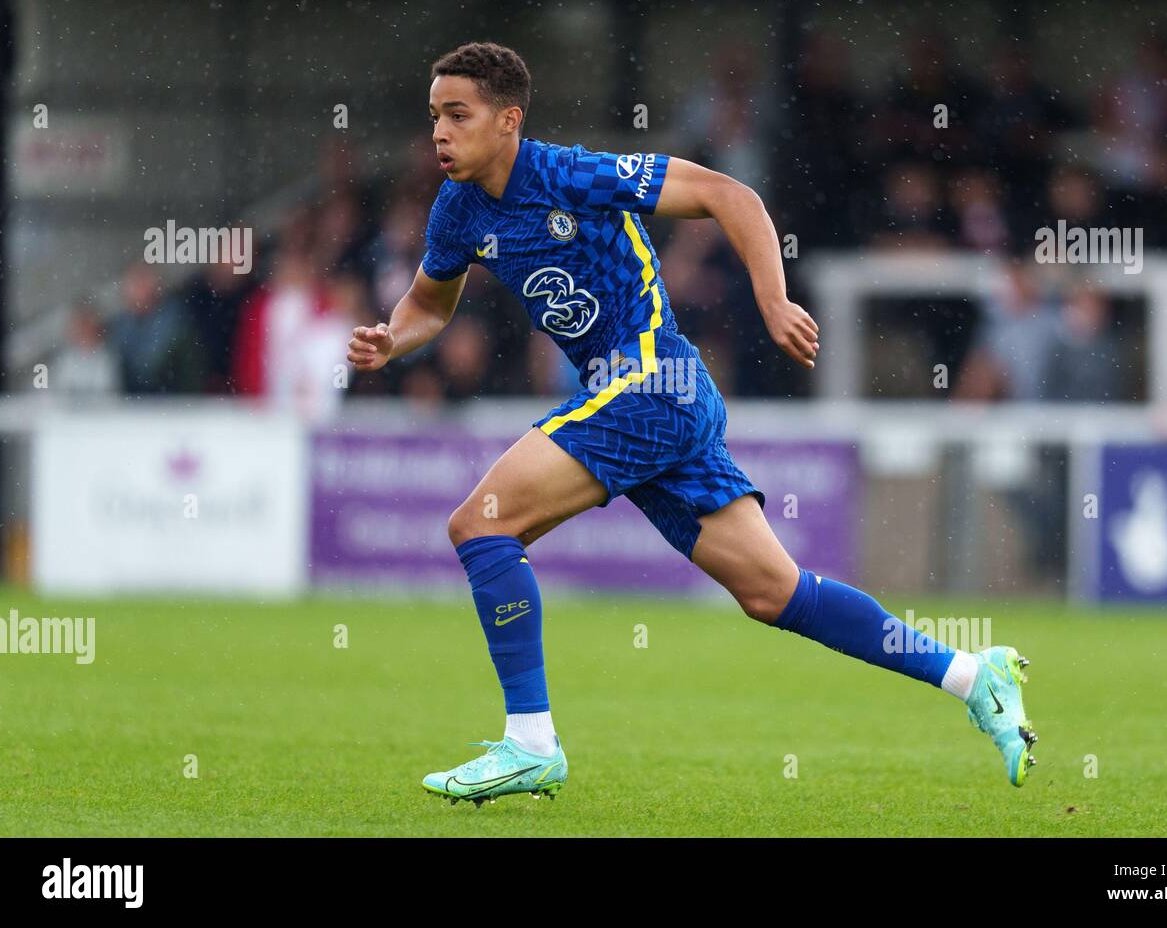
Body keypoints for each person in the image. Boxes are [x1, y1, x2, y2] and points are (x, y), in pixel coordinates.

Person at [347, 42, 1037, 806]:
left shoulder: (569, 175)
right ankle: (975, 676)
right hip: (655, 400)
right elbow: (429, 303)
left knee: (481, 526)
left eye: (457, 115)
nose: (439, 131)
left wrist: (773, 299)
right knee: (777, 593)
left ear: (508, 121)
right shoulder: (459, 209)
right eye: (435, 115)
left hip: (653, 382)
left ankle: (531, 742)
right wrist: (391, 336)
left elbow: (728, 194)